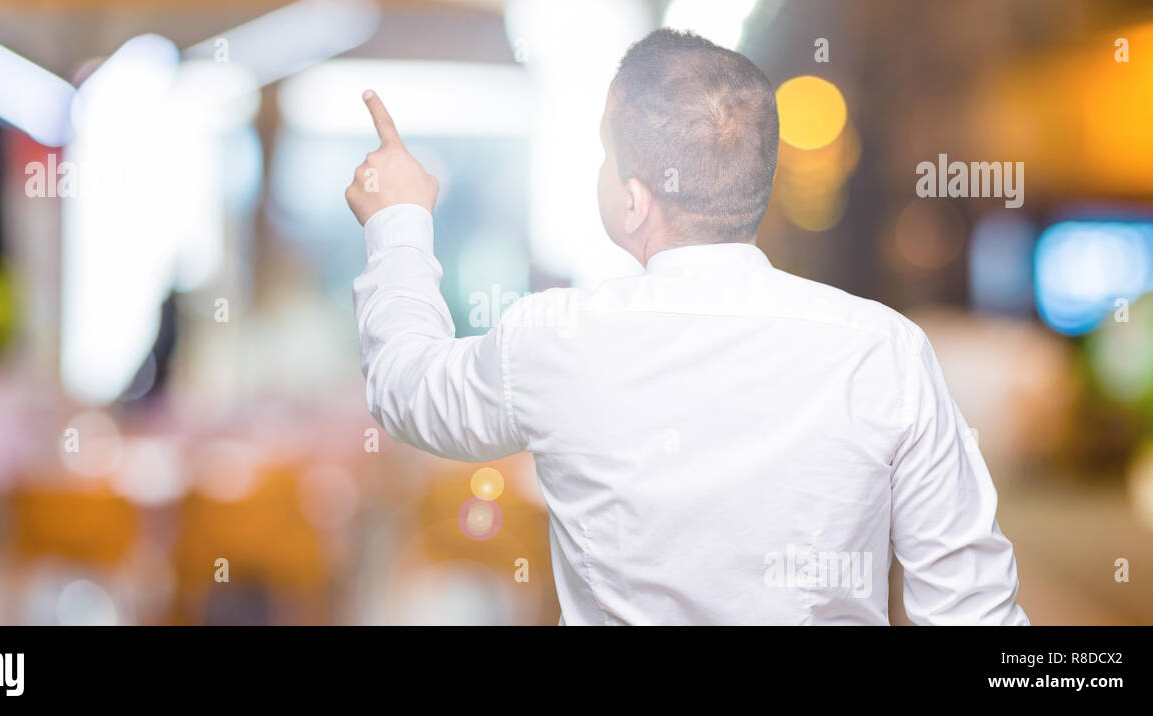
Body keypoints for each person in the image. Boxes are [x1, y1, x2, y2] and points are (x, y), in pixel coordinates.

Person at [344, 28, 1029, 626]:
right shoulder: (885, 351)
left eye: (606, 154)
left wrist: (398, 219)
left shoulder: (558, 340)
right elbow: (973, 616)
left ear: (635, 198)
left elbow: (408, 388)